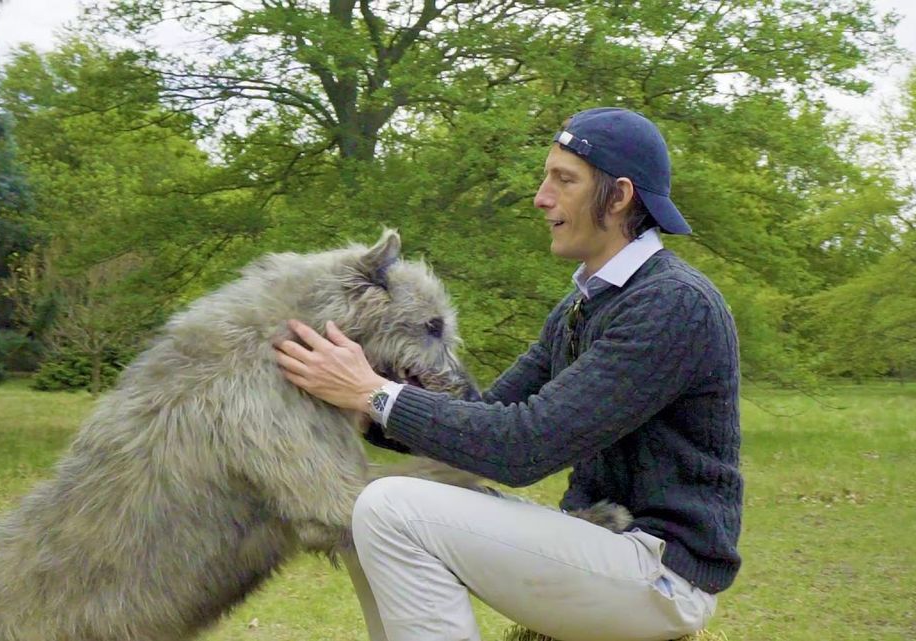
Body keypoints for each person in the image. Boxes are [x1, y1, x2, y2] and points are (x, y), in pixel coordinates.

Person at [274, 107, 742, 641]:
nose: (542, 197)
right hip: (601, 553)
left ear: (619, 197)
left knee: (390, 506)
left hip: (659, 573)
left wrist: (373, 392)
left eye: (564, 180)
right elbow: (485, 419)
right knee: (368, 507)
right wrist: (356, 402)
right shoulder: (583, 304)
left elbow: (520, 449)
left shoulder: (672, 304)